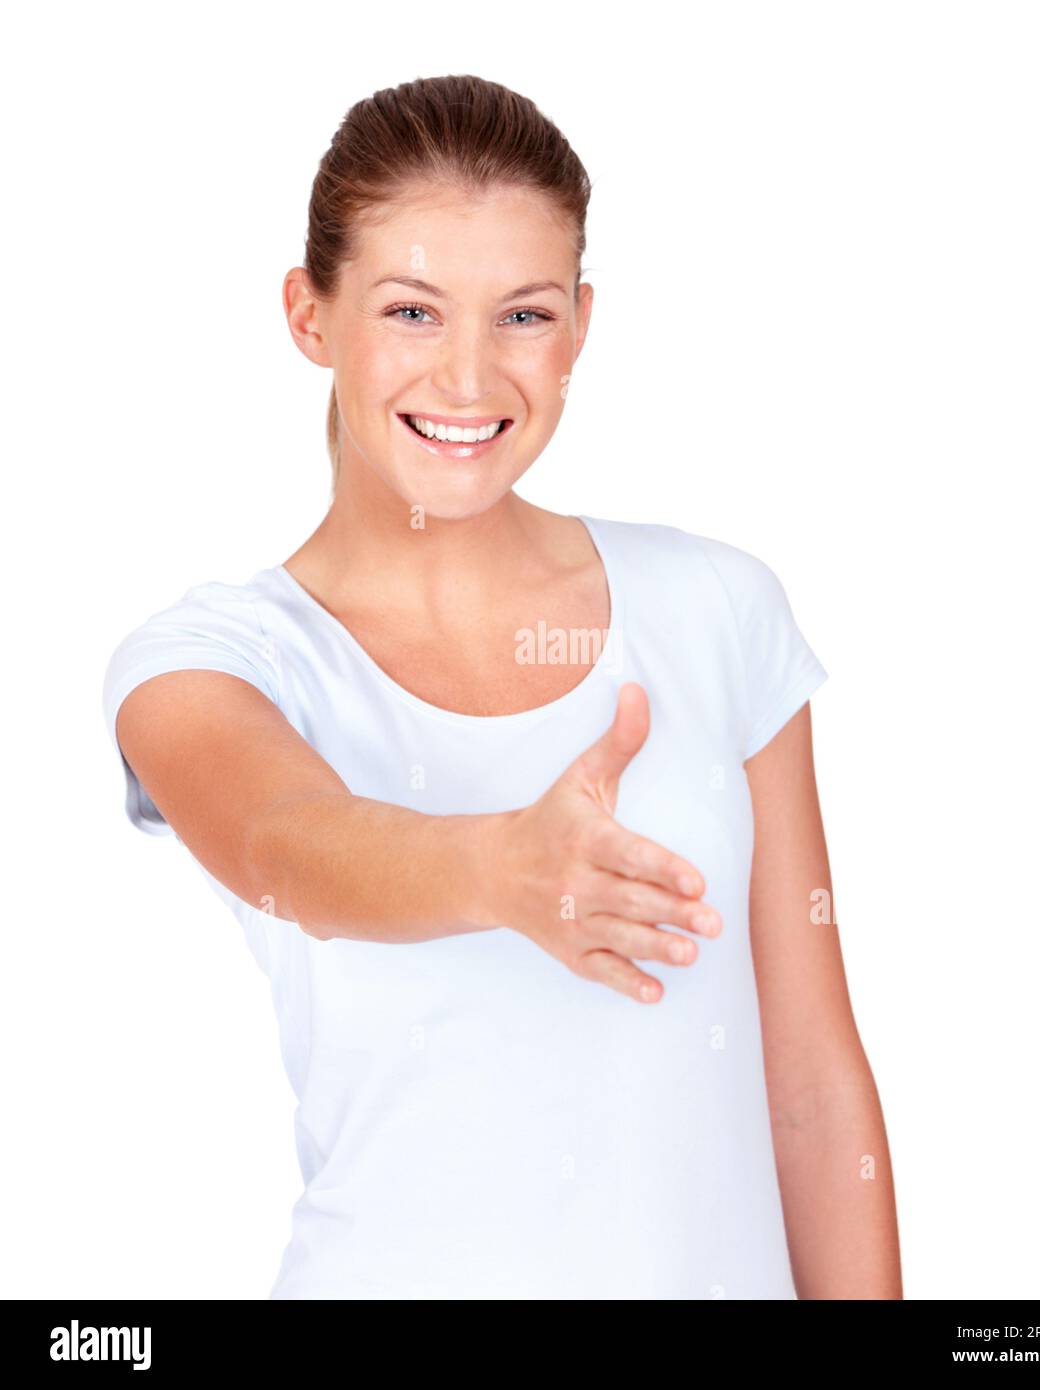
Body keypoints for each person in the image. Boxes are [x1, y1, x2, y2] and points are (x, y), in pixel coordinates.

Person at [102, 74, 901, 1300]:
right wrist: (504, 870)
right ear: (310, 317)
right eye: (412, 311)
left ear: (581, 324)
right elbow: (284, 840)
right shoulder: (208, 659)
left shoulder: (716, 609)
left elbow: (810, 1080)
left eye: (523, 316)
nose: (470, 378)